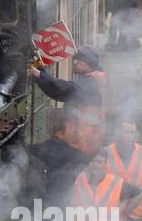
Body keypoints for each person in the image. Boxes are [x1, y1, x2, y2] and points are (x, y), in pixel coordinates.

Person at [28, 46, 106, 197]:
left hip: (78, 142)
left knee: (33, 155)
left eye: (80, 60)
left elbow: (64, 90)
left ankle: (36, 202)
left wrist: (39, 75)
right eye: (75, 59)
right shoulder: (92, 79)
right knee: (58, 178)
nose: (74, 62)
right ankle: (50, 204)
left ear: (89, 63)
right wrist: (40, 70)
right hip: (77, 141)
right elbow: (58, 90)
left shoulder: (92, 82)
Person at [72, 148, 142, 221]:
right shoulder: (80, 180)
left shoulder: (115, 182)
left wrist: (125, 212)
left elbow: (139, 193)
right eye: (92, 161)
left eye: (99, 162)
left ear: (105, 164)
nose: (95, 164)